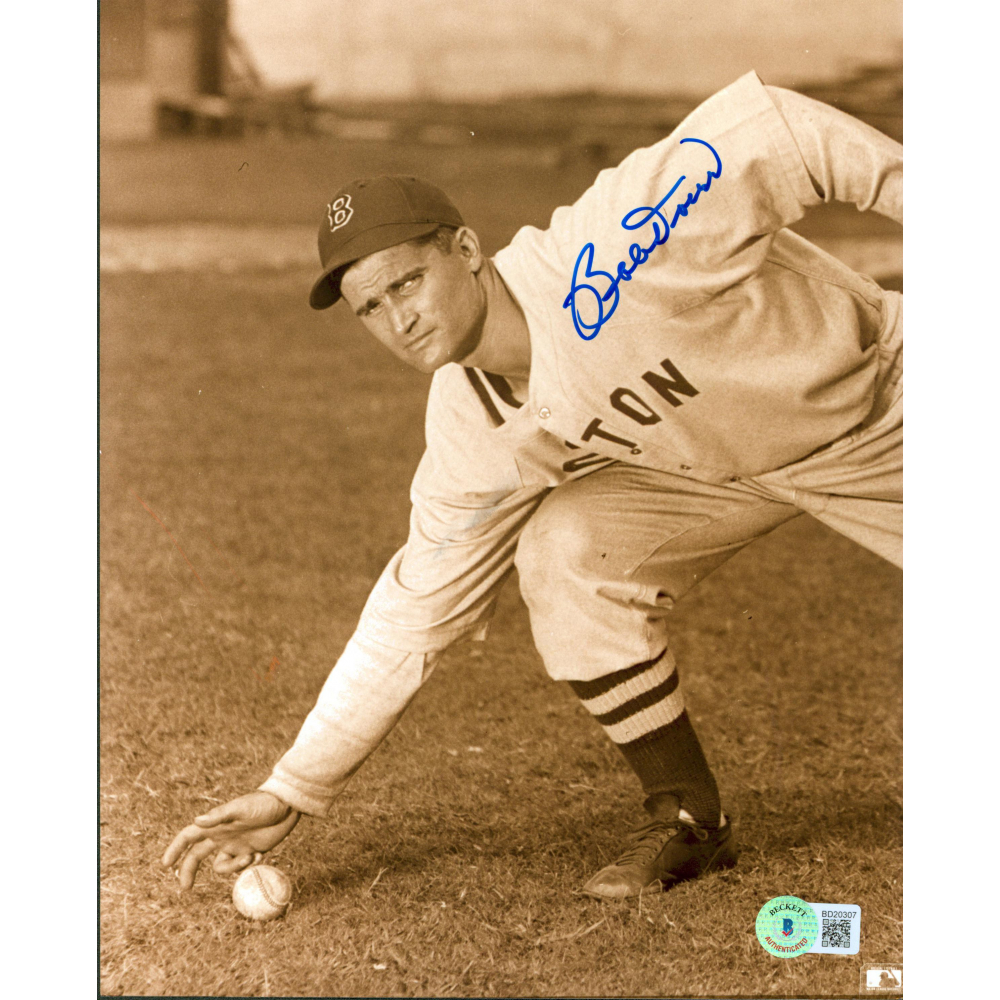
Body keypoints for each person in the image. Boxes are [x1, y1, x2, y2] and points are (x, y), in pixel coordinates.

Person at [163, 71, 902, 900]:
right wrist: (294, 785)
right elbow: (416, 613)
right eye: (370, 307)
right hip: (721, 469)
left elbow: (780, 130)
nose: (398, 319)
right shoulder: (467, 422)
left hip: (878, 409)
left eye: (407, 281)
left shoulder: (611, 250)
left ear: (468, 252)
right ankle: (690, 821)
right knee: (565, 552)